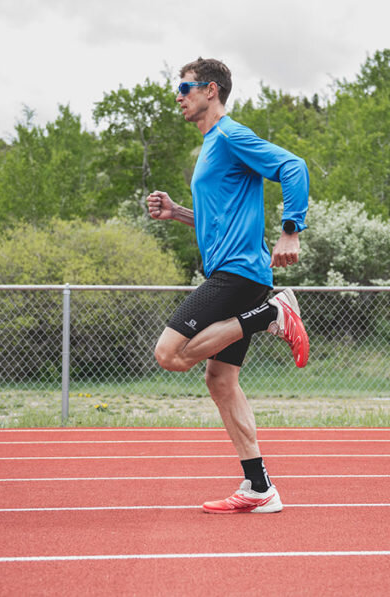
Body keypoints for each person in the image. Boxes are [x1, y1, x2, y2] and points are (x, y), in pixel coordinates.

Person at [145, 57, 309, 514]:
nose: (178, 95)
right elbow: (221, 221)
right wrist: (178, 213)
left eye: (185, 86)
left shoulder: (231, 135)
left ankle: (272, 314)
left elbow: (293, 167)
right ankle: (260, 488)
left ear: (211, 89)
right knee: (220, 380)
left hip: (239, 274)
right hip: (236, 271)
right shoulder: (210, 148)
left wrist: (290, 229)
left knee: (169, 354)